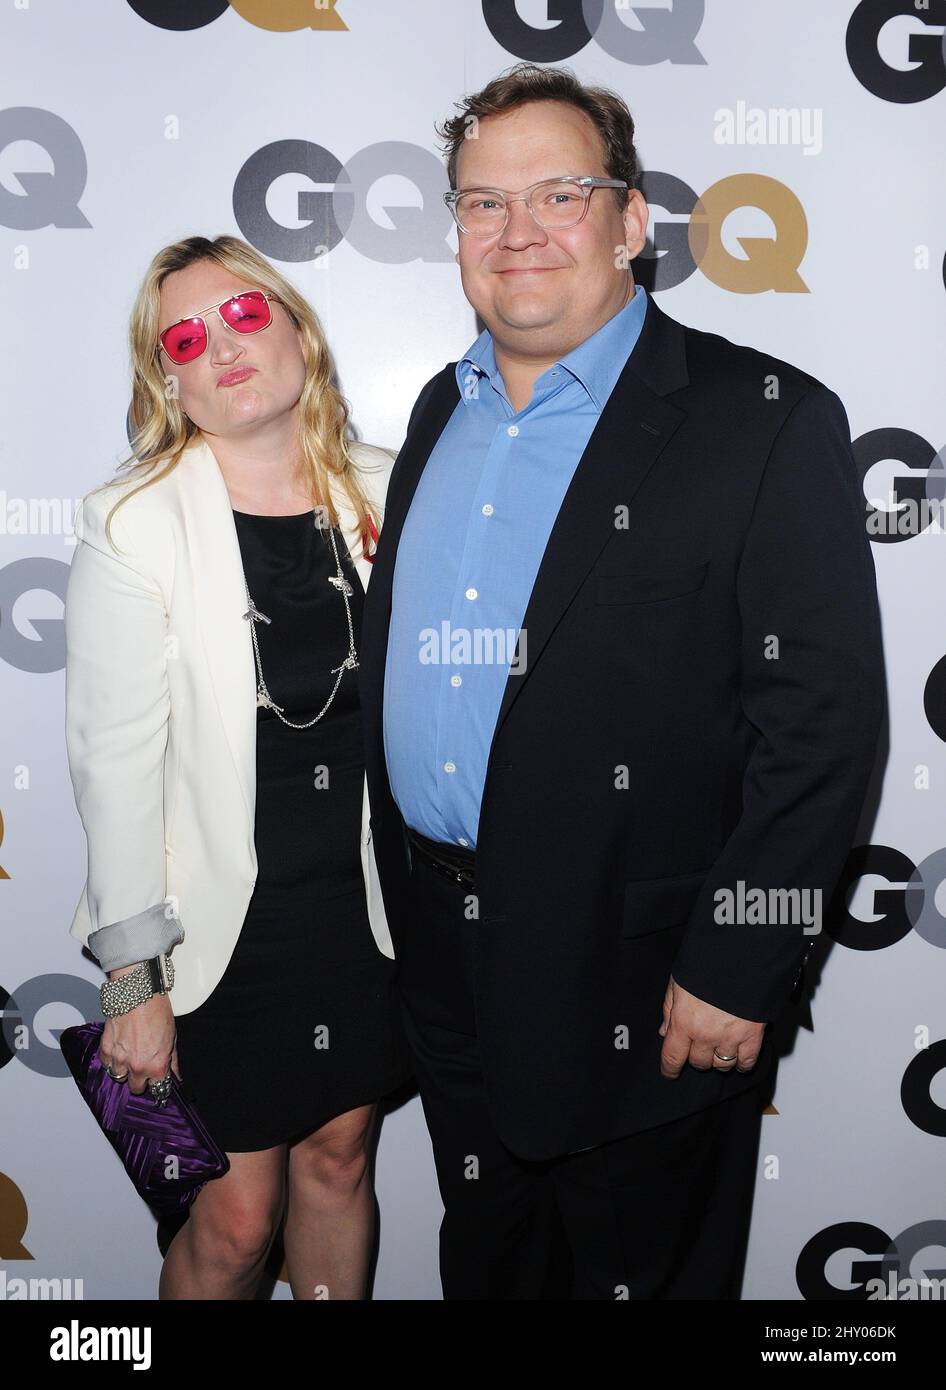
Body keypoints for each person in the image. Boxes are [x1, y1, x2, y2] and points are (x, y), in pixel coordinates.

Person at [358, 64, 886, 1299]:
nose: (518, 231)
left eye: (559, 192)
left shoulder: (760, 417)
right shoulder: (443, 408)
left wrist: (738, 962)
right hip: (445, 958)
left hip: (648, 983)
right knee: (490, 1265)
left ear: (632, 219)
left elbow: (822, 729)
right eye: (483, 204)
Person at [64, 234, 414, 1300]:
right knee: (233, 1220)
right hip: (216, 930)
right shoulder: (134, 522)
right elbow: (111, 763)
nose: (221, 348)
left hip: (368, 911)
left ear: (299, 331)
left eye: (246, 316)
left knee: (339, 1159)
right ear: (165, 379)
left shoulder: (391, 489)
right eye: (186, 337)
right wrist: (134, 978)